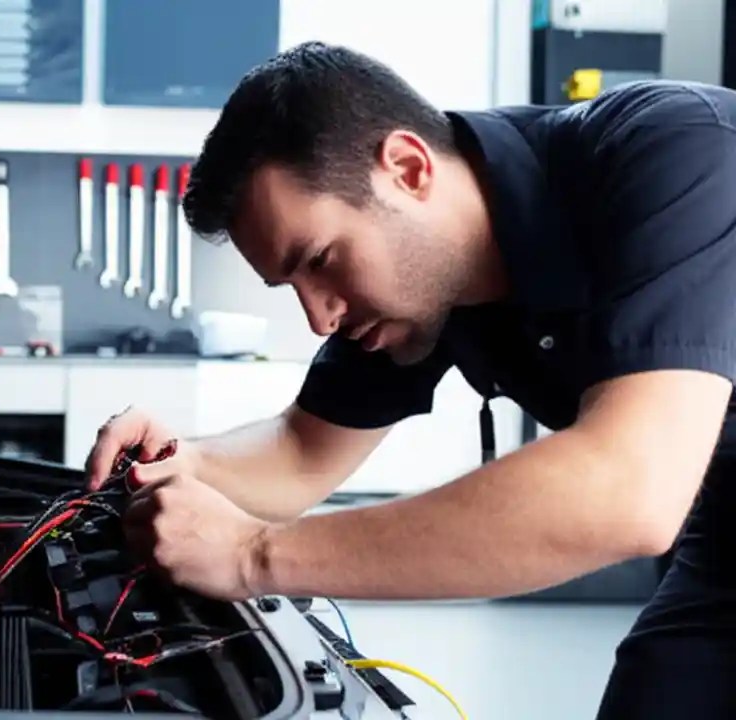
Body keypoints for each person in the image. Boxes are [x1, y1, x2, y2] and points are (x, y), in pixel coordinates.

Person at [84, 41, 736, 718]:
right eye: (292, 285)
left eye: (322, 260)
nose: (318, 317)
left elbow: (629, 491)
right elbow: (301, 453)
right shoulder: (424, 281)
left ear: (407, 168)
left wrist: (253, 555)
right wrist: (179, 464)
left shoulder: (679, 152)